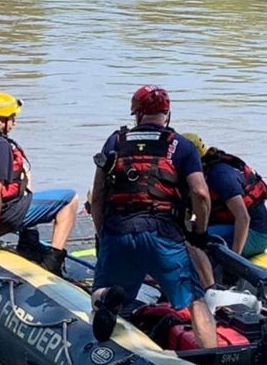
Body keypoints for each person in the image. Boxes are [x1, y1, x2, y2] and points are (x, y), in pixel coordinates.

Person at [88, 86, 219, 350]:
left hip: (119, 229)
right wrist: (199, 232)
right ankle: (211, 360)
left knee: (97, 292)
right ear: (167, 114)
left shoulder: (115, 141)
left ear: (136, 114)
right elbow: (201, 193)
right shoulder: (181, 145)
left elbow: (98, 194)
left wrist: (103, 232)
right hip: (163, 233)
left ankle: (109, 300)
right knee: (195, 301)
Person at [0, 91, 78, 274]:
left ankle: (28, 242)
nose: (14, 123)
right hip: (3, 217)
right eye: (12, 117)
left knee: (24, 181)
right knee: (70, 199)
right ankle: (54, 260)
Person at [178, 134, 267, 260]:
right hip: (230, 225)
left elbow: (243, 218)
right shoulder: (202, 173)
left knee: (189, 245)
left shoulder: (221, 176)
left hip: (254, 233)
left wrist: (234, 261)